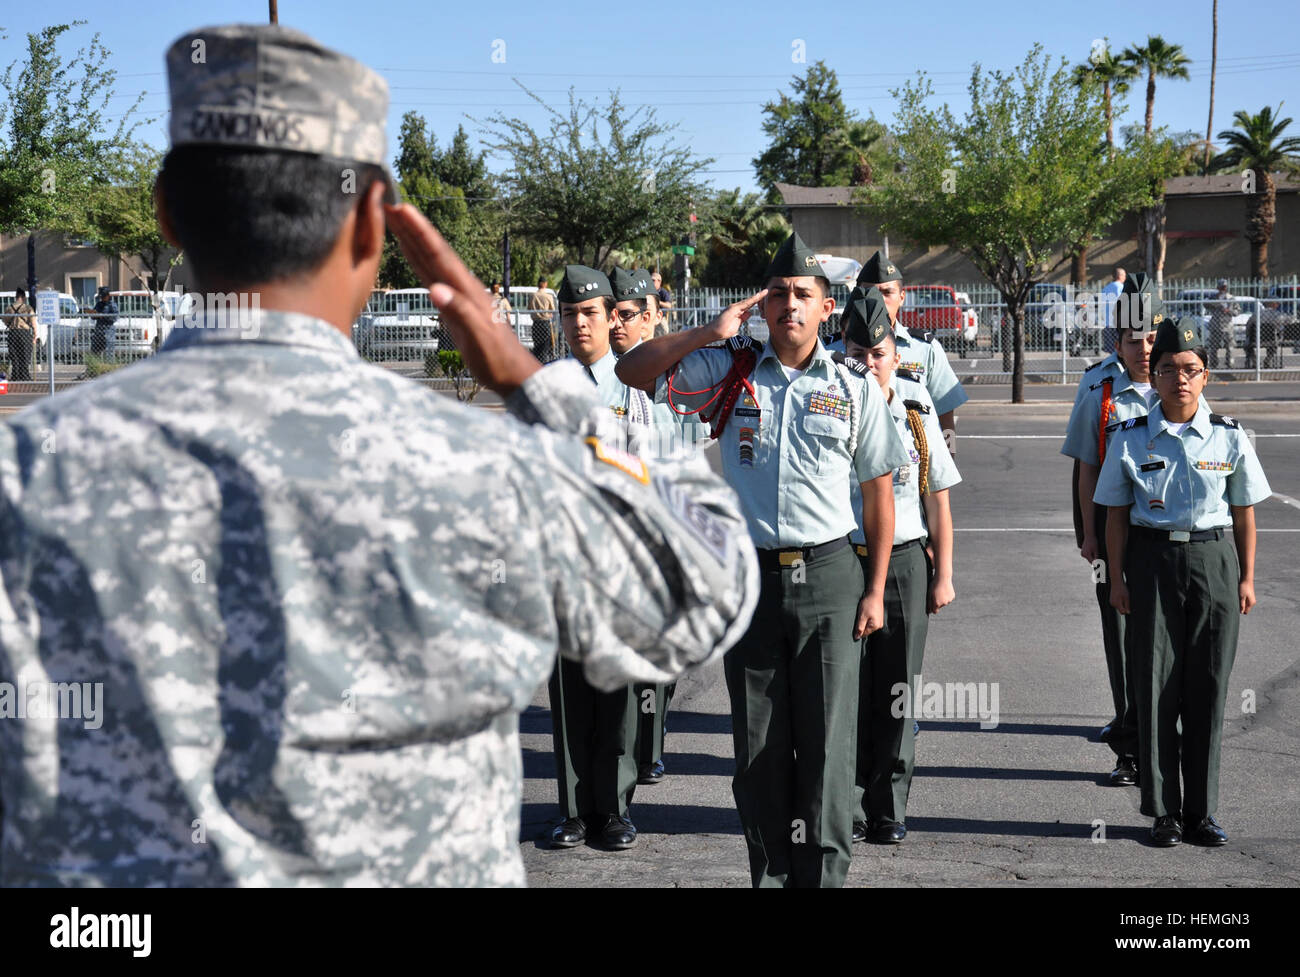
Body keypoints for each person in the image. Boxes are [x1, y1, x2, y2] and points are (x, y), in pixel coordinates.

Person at [0, 23, 759, 888]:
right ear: (371, 223)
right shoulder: (482, 464)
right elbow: (706, 587)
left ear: (167, 213)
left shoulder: (24, 472)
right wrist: (531, 382)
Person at [618, 231, 910, 888]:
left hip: (832, 576)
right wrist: (705, 331)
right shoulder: (730, 368)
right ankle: (771, 877)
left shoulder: (855, 388)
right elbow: (630, 371)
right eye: (778, 293)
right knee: (758, 752)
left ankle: (824, 879)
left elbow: (879, 491)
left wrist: (874, 587)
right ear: (763, 305)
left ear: (827, 307)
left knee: (831, 751)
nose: (789, 305)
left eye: (803, 294)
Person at [1095, 318, 1270, 847]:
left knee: (1208, 689)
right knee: (1155, 688)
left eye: (1190, 370)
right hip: (1151, 564)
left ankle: (1202, 812)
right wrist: (1118, 582)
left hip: (1215, 563)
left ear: (1205, 376)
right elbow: (1115, 517)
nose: (1180, 379)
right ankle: (1163, 811)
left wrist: (1246, 578)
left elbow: (1243, 514)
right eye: (1168, 369)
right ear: (1157, 377)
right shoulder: (1128, 437)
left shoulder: (1230, 436)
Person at [545, 263, 661, 851]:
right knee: (569, 694)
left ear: (612, 316)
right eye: (569, 314)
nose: (579, 324)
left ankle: (613, 808)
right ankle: (571, 809)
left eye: (588, 313)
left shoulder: (634, 385)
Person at [841, 288, 959, 845]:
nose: (867, 364)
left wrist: (944, 573)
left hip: (909, 561)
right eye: (856, 353)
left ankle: (888, 805)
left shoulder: (914, 403)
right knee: (846, 689)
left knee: (896, 688)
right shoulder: (830, 400)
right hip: (843, 560)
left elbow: (937, 493)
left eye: (878, 353)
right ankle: (847, 800)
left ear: (895, 354)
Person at [1061, 272, 1184, 787]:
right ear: (1119, 341)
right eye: (1134, 340)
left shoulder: (1176, 386)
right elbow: (1086, 465)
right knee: (1120, 635)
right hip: (1114, 534)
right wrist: (1088, 536)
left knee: (1159, 642)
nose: (1144, 349)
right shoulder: (1098, 385)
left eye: (1153, 338)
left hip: (1163, 532)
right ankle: (1131, 747)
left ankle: (1153, 734)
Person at [839, 251, 968, 452]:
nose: (878, 300)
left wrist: (948, 458)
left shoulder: (925, 349)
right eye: (870, 292)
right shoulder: (831, 349)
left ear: (901, 297)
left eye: (886, 292)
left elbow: (944, 415)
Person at [1206, 279, 1239, 370]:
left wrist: (1229, 311)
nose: (1223, 289)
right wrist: (1214, 302)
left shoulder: (1231, 298)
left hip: (1227, 325)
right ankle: (1213, 364)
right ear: (1218, 288)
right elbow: (1205, 304)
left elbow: (1237, 311)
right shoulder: (1213, 298)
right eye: (1221, 287)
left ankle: (1229, 363)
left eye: (1224, 287)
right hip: (1216, 325)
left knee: (1229, 346)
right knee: (1213, 346)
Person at [4, 287, 35, 381]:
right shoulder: (27, 308)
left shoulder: (9, 308)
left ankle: (15, 376)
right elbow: (33, 322)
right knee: (25, 355)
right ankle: (24, 376)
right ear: (23, 297)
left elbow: (5, 320)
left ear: (16, 297)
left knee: (14, 355)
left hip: (12, 333)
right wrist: (35, 334)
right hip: (24, 333)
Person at [528, 278, 557, 362]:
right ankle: (544, 364)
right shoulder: (548, 296)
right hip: (545, 323)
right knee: (545, 347)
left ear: (538, 284)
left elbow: (529, 308)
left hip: (536, 324)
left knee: (537, 347)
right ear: (545, 284)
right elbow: (552, 309)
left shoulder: (532, 296)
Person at [1099, 267, 1126, 354]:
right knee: (1122, 348)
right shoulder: (1122, 288)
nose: (1125, 277)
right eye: (1124, 275)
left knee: (1112, 350)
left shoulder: (1105, 289)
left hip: (1108, 323)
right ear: (1120, 276)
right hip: (1119, 323)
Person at [91, 286, 118, 361]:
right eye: (101, 296)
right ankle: (94, 365)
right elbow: (93, 316)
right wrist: (94, 314)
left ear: (108, 296)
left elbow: (114, 318)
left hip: (108, 330)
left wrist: (104, 316)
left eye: (103, 296)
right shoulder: (99, 304)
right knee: (94, 349)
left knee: (109, 352)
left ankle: (109, 367)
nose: (102, 298)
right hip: (98, 330)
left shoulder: (112, 305)